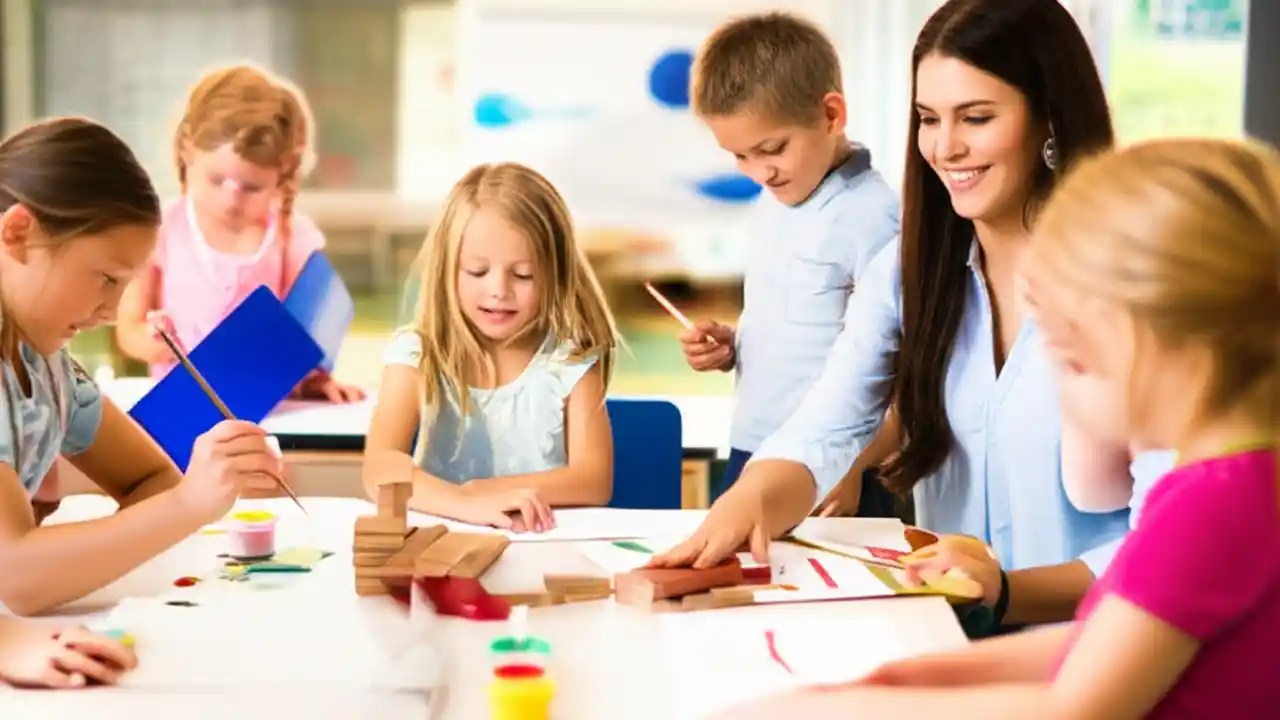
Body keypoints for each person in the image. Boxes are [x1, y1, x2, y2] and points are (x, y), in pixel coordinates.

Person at [716, 136, 1280, 720]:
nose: (1060, 390)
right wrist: (903, 680)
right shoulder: (1234, 481)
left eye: (1073, 362)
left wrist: (842, 711)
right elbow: (1095, 644)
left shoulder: (1212, 506)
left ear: (1177, 351)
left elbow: (1073, 709)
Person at [654, 0, 1135, 630]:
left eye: (977, 117)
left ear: (1049, 114)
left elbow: (1182, 534)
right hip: (954, 639)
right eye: (928, 119)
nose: (945, 147)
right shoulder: (907, 274)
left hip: (1106, 645)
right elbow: (827, 424)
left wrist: (1008, 592)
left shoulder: (1133, 284)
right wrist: (744, 502)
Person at [0, 117, 280, 615]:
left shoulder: (49, 370)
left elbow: (152, 480)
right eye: (106, 278)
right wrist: (188, 505)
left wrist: (199, 487)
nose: (112, 311)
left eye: (124, 284)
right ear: (19, 233)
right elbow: (15, 576)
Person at [678, 12, 899, 495]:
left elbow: (902, 367)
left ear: (831, 115)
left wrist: (855, 465)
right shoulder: (773, 201)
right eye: (740, 156)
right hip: (751, 445)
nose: (759, 172)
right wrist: (733, 346)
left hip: (830, 464)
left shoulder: (875, 217)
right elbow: (799, 324)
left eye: (773, 149)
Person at [363, 163, 619, 531]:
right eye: (478, 271)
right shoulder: (417, 353)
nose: (499, 290)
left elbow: (593, 481)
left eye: (523, 275)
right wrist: (462, 502)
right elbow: (379, 468)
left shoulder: (571, 361)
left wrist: (483, 491)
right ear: (448, 269)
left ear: (555, 274)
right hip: (443, 544)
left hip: (541, 547)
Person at [115, 64, 362, 402]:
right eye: (217, 180)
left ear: (283, 174)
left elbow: (304, 331)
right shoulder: (162, 229)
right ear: (187, 150)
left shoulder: (290, 236)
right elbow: (128, 330)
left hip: (267, 411)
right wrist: (156, 342)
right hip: (184, 408)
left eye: (252, 187)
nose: (231, 200)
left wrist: (316, 380)